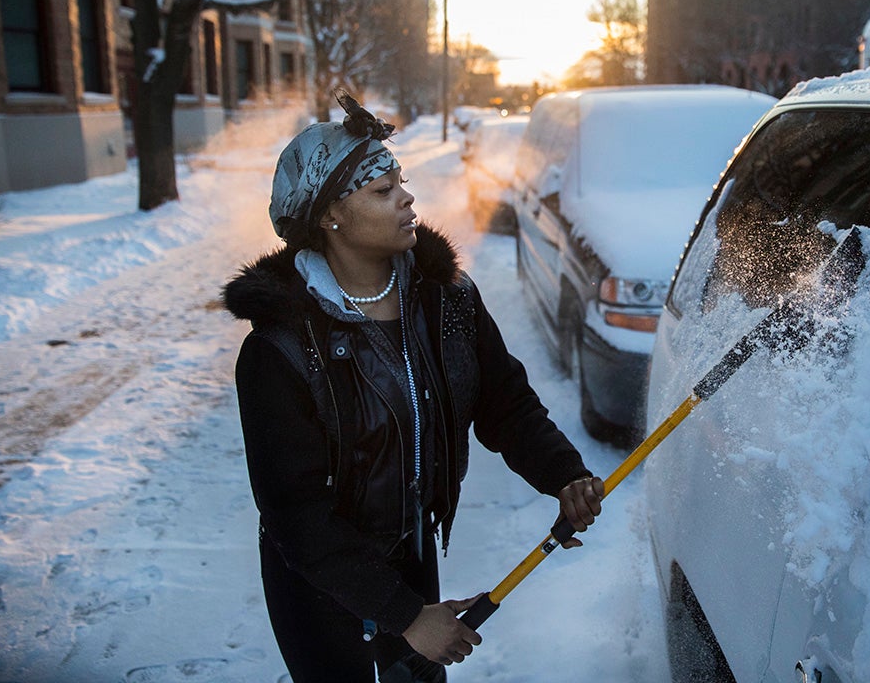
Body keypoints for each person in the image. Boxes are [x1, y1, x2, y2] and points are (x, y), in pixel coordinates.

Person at [222, 92, 604, 682]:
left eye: (401, 181)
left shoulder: (445, 300)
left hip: (412, 553)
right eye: (382, 191)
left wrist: (564, 473)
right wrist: (406, 616)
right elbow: (298, 515)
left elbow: (505, 403)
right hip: (320, 584)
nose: (408, 199)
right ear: (330, 216)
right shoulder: (279, 350)